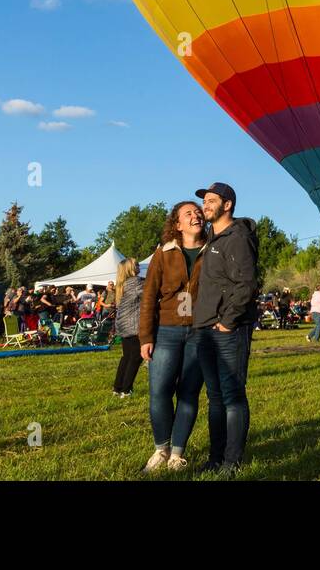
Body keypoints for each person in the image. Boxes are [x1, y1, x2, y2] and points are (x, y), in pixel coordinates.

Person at [192, 182, 259, 475]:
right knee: (215, 397)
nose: (205, 205)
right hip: (205, 327)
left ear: (227, 204)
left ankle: (232, 461)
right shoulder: (211, 239)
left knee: (232, 395)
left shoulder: (237, 238)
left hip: (227, 329)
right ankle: (215, 457)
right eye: (203, 201)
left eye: (211, 200)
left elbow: (246, 284)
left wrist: (228, 321)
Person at [139, 200, 207, 471]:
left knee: (189, 393)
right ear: (177, 224)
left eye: (198, 211)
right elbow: (148, 297)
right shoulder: (163, 254)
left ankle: (177, 454)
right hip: (166, 331)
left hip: (200, 332)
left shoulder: (213, 250)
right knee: (159, 392)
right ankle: (161, 449)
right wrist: (145, 336)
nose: (196, 215)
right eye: (188, 213)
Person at [113, 258, 144, 397]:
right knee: (136, 357)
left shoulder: (122, 284)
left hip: (123, 324)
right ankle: (126, 389)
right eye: (136, 264)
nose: (138, 266)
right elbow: (149, 295)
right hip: (134, 324)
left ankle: (117, 387)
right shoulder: (136, 282)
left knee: (126, 357)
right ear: (130, 268)